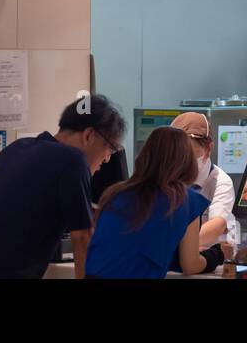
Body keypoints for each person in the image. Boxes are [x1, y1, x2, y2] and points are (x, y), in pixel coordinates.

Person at [0, 94, 125, 279]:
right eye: (110, 148)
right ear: (89, 135)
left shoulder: (18, 148)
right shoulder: (73, 161)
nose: (107, 158)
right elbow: (82, 237)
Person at [84, 127, 211, 278]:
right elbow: (190, 265)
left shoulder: (114, 194)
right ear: (187, 160)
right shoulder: (185, 200)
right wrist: (215, 256)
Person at [171, 111, 238, 248]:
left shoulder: (220, 182)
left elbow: (217, 225)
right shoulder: (166, 177)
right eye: (177, 154)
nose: (182, 161)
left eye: (190, 154)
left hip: (208, 260)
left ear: (208, 149)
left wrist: (176, 246)